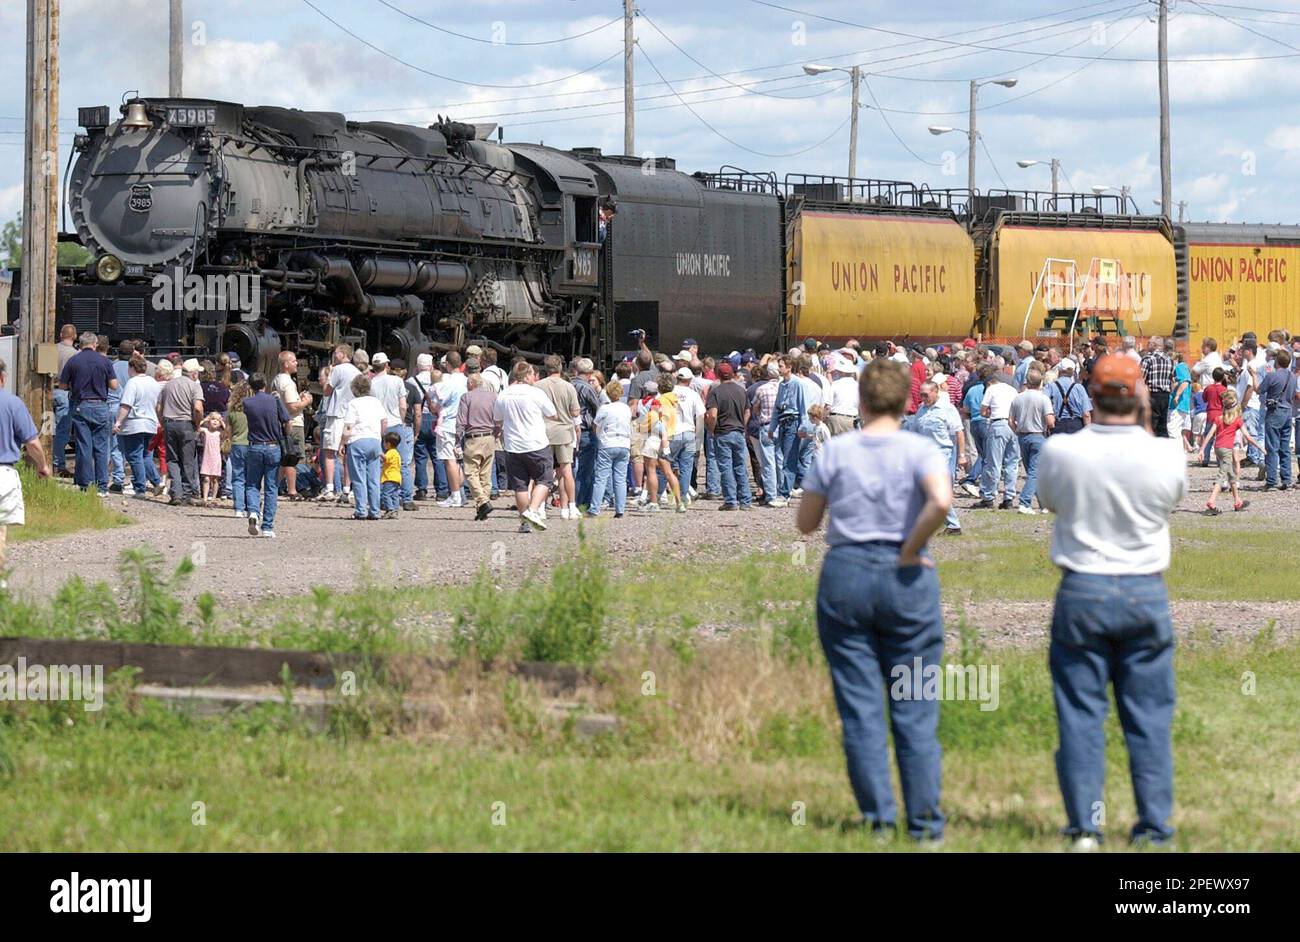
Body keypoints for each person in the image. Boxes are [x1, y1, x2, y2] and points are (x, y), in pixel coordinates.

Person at [796, 358, 952, 843]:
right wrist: (909, 546)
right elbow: (941, 503)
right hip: (907, 579)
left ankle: (878, 820)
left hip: (847, 573)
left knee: (860, 707)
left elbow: (806, 523)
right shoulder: (920, 449)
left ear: (860, 400)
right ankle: (925, 824)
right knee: (914, 705)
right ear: (907, 400)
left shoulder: (836, 453)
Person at [1036, 355, 1187, 849]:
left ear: (1090, 393)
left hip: (1083, 587)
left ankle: (1084, 827)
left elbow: (1050, 501)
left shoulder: (1062, 451)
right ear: (1141, 394)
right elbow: (1170, 501)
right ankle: (1154, 826)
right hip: (1144, 588)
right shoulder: (1166, 454)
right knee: (1148, 718)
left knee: (1080, 713)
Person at [0, 357, 52, 579]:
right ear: (2, 378)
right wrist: (43, 466)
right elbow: (32, 443)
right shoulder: (12, 403)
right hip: (3, 473)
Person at [493, 360, 557, 532]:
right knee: (544, 479)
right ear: (528, 375)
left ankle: (525, 523)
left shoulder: (504, 395)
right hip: (536, 444)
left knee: (520, 485)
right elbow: (552, 413)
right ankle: (533, 510)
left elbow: (497, 420)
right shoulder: (536, 393)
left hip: (513, 446)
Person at [58, 331, 118, 496]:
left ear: (81, 343)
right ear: (95, 344)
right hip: (100, 405)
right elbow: (114, 385)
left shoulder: (73, 361)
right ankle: (102, 487)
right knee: (101, 447)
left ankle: (85, 484)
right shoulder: (104, 361)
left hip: (81, 405)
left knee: (84, 446)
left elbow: (62, 386)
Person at [905, 380, 966, 536]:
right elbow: (914, 432)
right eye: (921, 395)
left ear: (935, 392)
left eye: (926, 395)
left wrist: (962, 456)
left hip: (942, 453)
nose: (923, 398)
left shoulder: (947, 409)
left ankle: (952, 525)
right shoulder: (921, 410)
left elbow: (959, 432)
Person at [241, 372, 290, 538]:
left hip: (254, 446)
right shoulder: (274, 400)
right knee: (271, 487)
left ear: (250, 386)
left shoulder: (247, 403)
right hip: (273, 446)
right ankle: (267, 527)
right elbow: (286, 420)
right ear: (265, 384)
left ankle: (254, 511)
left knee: (252, 484)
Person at [112, 353, 164, 499]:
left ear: (131, 367)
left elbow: (126, 405)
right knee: (145, 454)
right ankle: (157, 481)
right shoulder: (153, 383)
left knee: (134, 455)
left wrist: (118, 422)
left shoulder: (132, 383)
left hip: (134, 424)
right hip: (150, 423)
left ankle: (140, 488)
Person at [1199, 388, 1257, 515]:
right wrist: (1260, 448)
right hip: (1226, 450)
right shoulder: (1237, 420)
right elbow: (1248, 436)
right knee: (1221, 476)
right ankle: (1211, 501)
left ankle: (1237, 501)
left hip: (1218, 448)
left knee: (1231, 474)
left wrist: (1202, 448)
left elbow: (1209, 434)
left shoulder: (1219, 419)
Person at [537, 354, 580, 519]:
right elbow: (575, 412)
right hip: (564, 432)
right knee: (566, 470)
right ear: (561, 367)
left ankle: (540, 507)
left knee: (544, 472)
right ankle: (569, 507)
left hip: (544, 432)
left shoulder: (538, 386)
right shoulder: (569, 387)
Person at [156, 357, 204, 505]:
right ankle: (187, 493)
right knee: (188, 460)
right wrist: (197, 423)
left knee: (172, 459)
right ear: (194, 374)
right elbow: (198, 408)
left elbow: (158, 407)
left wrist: (163, 423)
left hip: (170, 424)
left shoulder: (168, 385)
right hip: (186, 424)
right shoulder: (195, 386)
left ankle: (176, 493)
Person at [368, 352, 412, 512]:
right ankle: (406, 499)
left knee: (380, 464)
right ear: (387, 365)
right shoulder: (397, 381)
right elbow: (403, 405)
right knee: (402, 463)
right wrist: (401, 420)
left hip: (378, 426)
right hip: (395, 424)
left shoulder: (370, 384)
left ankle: (382, 499)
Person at [706, 361, 751, 512]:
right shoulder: (741, 390)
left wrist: (711, 430)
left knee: (726, 467)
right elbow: (748, 411)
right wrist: (742, 425)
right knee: (740, 466)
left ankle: (731, 500)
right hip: (738, 432)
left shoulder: (716, 392)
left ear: (718, 375)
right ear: (732, 374)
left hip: (723, 432)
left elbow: (712, 414)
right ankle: (745, 500)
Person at [341, 373, 387, 522]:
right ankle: (375, 510)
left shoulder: (353, 404)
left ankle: (361, 510)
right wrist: (378, 436)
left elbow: (349, 425)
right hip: (374, 441)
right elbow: (384, 421)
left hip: (357, 441)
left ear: (354, 389)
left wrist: (343, 442)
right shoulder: (376, 402)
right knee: (374, 478)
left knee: (359, 477)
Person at [1008, 368, 1055, 514]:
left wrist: (1017, 430)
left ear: (1027, 382)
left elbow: (1010, 420)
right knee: (1035, 472)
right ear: (1040, 382)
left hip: (1022, 436)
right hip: (1038, 435)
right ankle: (1025, 502)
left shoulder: (1018, 397)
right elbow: (1050, 421)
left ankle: (1043, 503)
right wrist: (1051, 422)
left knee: (1033, 472)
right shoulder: (1043, 398)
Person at [319, 344, 360, 503]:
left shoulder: (338, 370)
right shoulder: (357, 372)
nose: (334, 356)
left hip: (336, 414)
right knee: (348, 454)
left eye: (336, 353)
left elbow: (326, 391)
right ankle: (347, 489)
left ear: (342, 354)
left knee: (330, 452)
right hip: (351, 416)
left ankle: (329, 488)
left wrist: (329, 374)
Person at [456, 369, 499, 521]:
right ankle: (482, 510)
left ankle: (483, 502)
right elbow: (498, 418)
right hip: (489, 437)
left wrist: (457, 440)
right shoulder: (494, 396)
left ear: (471, 384)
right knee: (485, 474)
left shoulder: (466, 397)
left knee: (470, 473)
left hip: (473, 438)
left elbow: (461, 421)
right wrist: (496, 433)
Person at [588, 379, 633, 518]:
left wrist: (598, 436)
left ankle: (594, 509)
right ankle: (620, 509)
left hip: (608, 443)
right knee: (620, 478)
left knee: (601, 477)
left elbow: (595, 425)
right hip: (624, 443)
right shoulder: (626, 408)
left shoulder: (605, 408)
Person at [272, 351, 313, 502]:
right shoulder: (288, 383)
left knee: (284, 458)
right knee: (292, 458)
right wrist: (306, 402)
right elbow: (291, 407)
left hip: (282, 422)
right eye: (294, 361)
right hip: (293, 423)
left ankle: (274, 487)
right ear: (286, 364)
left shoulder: (277, 379)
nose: (297, 363)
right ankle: (292, 490)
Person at [431, 352, 469, 509]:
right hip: (464, 424)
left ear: (447, 364)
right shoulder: (466, 380)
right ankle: (459, 493)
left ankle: (455, 496)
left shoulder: (449, 382)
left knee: (449, 460)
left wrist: (432, 401)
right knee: (459, 460)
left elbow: (436, 404)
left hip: (449, 423)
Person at [1258, 348, 1298, 490]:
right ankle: (1286, 479)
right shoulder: (1293, 377)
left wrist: (1254, 375)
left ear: (1277, 361)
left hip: (1275, 412)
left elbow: (1259, 389)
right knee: (1285, 447)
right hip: (1288, 411)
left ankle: (1272, 480)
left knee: (1272, 446)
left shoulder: (1271, 376)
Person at [977, 373, 1019, 509]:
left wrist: (990, 412)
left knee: (994, 462)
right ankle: (1009, 497)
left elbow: (982, 411)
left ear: (990, 382)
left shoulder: (991, 389)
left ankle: (989, 496)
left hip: (998, 424)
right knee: (1011, 463)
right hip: (1013, 425)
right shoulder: (1012, 390)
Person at [51, 324, 77, 478]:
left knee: (47, 429)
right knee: (62, 431)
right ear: (74, 336)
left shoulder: (51, 349)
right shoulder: (74, 354)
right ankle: (59, 464)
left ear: (61, 335)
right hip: (64, 393)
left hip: (48, 391)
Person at [1140, 337, 1174, 438]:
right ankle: (1163, 448)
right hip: (1165, 395)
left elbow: (1140, 378)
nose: (1147, 344)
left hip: (1153, 394)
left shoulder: (1148, 358)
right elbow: (1171, 378)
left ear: (1154, 345)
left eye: (1149, 342)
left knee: (1151, 424)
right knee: (1163, 424)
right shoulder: (1169, 360)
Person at [227, 381, 251, 518]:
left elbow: (228, 432)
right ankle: (250, 506)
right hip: (251, 444)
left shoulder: (232, 411)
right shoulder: (252, 410)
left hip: (237, 444)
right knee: (251, 478)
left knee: (237, 477)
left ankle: (238, 508)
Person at [198, 410, 227, 507]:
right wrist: (204, 420)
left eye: (217, 420)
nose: (215, 421)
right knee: (206, 479)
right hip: (207, 457)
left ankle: (214, 498)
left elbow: (227, 431)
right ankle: (205, 498)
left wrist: (222, 422)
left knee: (215, 479)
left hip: (216, 458)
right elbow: (197, 427)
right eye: (213, 419)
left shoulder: (219, 433)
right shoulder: (206, 431)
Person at [380, 431, 402, 519]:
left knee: (386, 494)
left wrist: (379, 453)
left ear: (388, 443)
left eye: (384, 442)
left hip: (390, 477)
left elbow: (386, 459)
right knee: (394, 494)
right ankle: (395, 510)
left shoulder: (391, 452)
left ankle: (390, 509)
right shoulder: (396, 452)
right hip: (396, 478)